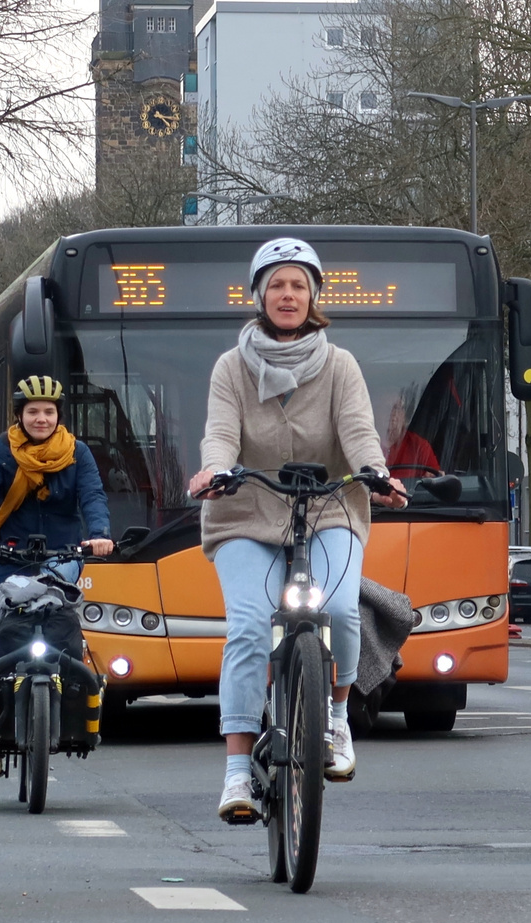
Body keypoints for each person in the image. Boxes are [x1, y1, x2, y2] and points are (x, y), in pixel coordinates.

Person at [186, 238, 408, 825]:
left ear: (313, 297)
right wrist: (214, 473)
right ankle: (236, 771)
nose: (288, 295)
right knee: (250, 626)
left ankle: (335, 719)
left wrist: (376, 474)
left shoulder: (340, 365)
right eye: (277, 285)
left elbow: (360, 434)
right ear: (259, 295)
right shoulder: (230, 367)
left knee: (337, 608)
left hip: (329, 506)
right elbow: (220, 436)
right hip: (245, 513)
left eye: (298, 285)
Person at [0, 376, 114, 778]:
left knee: (59, 622)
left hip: (60, 555)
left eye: (48, 412)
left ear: (58, 415)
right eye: (33, 412)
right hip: (7, 554)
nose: (41, 418)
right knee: (6, 633)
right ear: (20, 415)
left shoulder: (77, 453)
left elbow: (93, 497)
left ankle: (63, 707)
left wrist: (98, 536)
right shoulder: (0, 450)